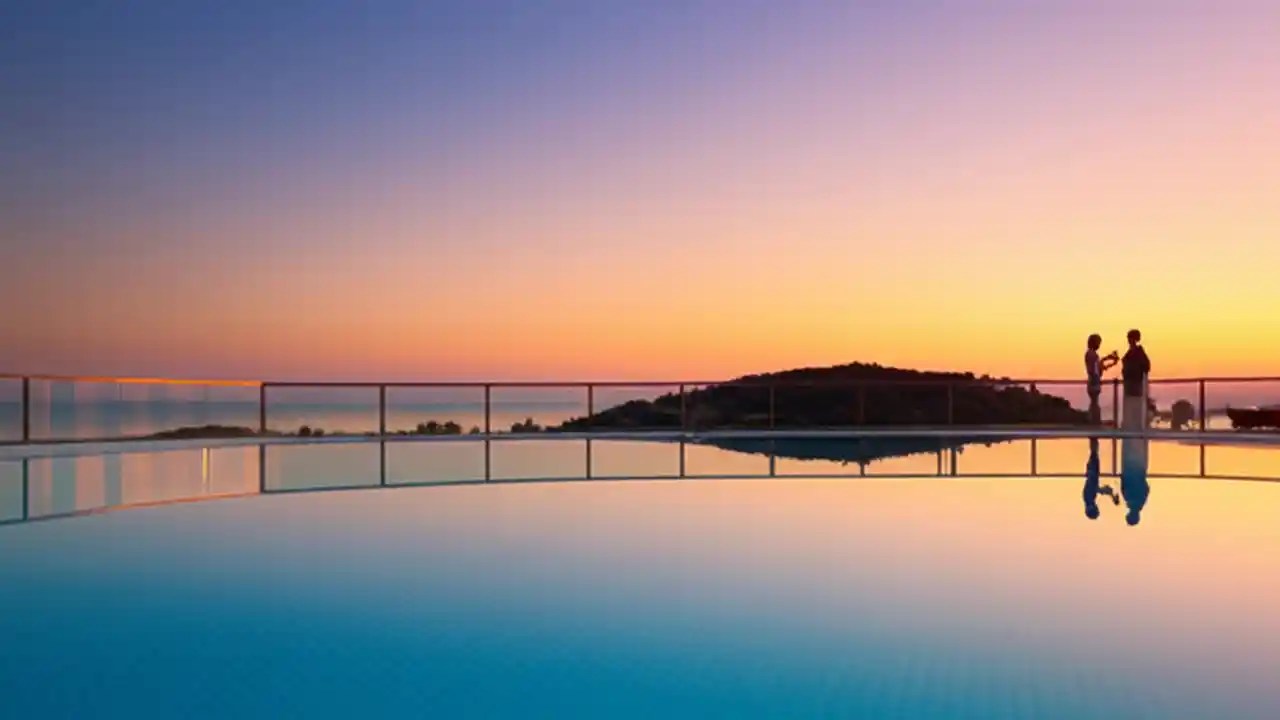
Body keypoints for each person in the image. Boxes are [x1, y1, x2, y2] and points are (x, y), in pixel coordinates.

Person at [1085, 334, 1119, 424]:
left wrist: (1108, 360)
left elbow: (1099, 368)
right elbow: (1096, 369)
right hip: (1094, 381)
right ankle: (1095, 421)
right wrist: (1108, 360)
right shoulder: (1091, 354)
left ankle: (1094, 421)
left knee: (1094, 402)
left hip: (1094, 381)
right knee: (1094, 403)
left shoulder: (1091, 354)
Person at [1121, 329, 1151, 430]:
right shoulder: (1130, 352)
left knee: (1136, 406)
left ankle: (1136, 426)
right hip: (1129, 384)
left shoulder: (1139, 352)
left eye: (1131, 338)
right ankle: (1130, 425)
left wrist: (1135, 372)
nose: (1129, 340)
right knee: (1130, 406)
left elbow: (1146, 366)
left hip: (1135, 383)